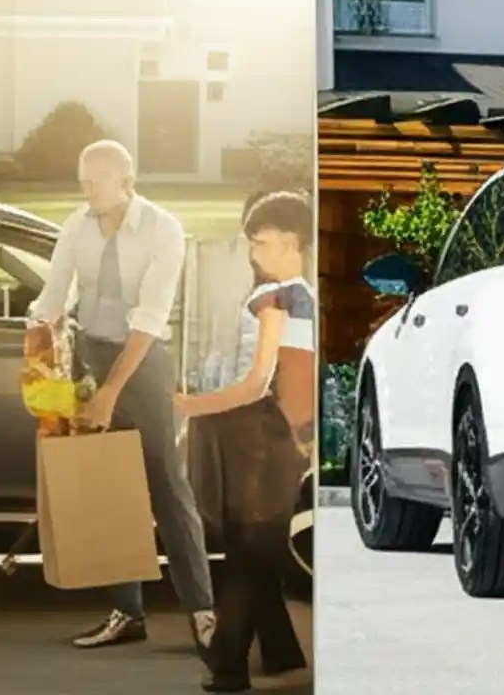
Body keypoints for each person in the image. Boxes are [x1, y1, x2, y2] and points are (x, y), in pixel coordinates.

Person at [28, 139, 216, 653]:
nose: (86, 190)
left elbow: (150, 319)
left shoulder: (163, 229)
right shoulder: (76, 225)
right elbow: (52, 297)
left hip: (144, 362)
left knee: (167, 487)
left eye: (95, 181)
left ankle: (203, 612)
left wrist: (112, 391)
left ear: (125, 182)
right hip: (90, 355)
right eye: (83, 180)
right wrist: (40, 353)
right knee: (109, 486)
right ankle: (126, 613)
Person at [175, 191, 314, 692]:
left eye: (259, 242)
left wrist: (194, 406)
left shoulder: (273, 298)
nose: (253, 252)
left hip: (257, 432)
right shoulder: (300, 296)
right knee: (257, 546)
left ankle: (230, 663)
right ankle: (275, 653)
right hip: (276, 436)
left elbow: (258, 380)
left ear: (287, 242)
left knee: (249, 549)